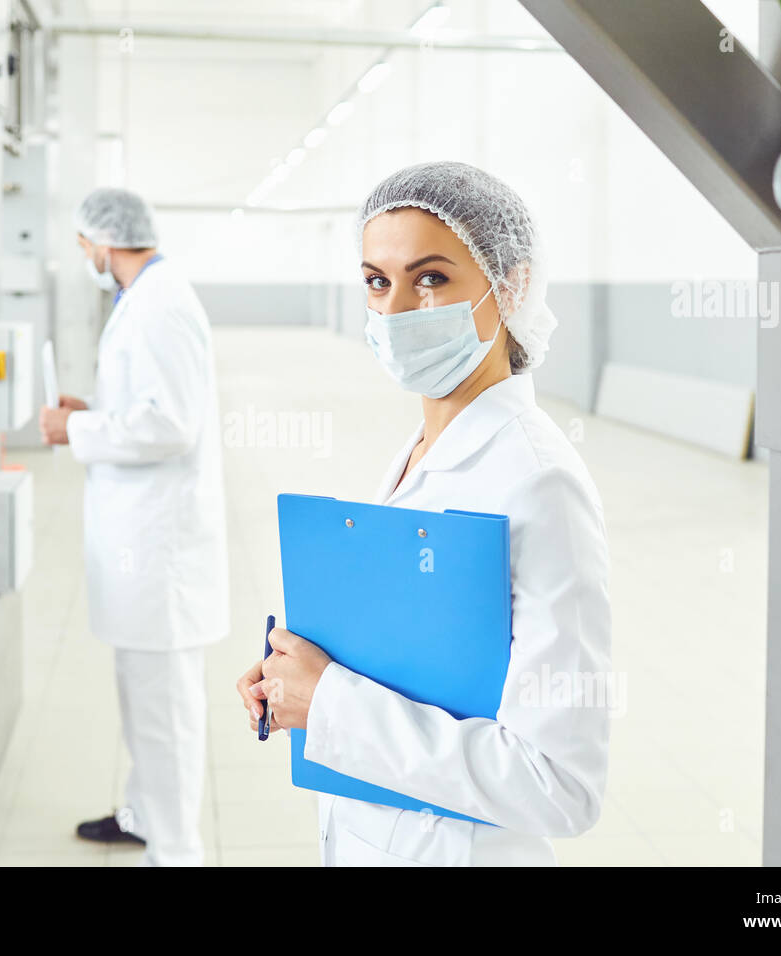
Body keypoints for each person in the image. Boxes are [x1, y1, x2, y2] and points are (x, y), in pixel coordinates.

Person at [235, 161, 611, 866]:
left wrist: (330, 705)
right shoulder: (420, 452)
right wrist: (295, 678)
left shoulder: (539, 483)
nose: (396, 308)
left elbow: (560, 786)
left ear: (514, 285)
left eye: (431, 278)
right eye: (377, 281)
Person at [40, 186, 228, 867]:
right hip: (139, 546)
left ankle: (176, 853)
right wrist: (93, 410)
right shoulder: (142, 298)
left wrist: (78, 427)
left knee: (165, 714)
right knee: (142, 698)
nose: (84, 255)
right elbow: (147, 405)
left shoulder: (161, 303)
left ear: (103, 241)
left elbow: (172, 425)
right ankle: (143, 815)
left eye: (84, 244)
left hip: (162, 555)